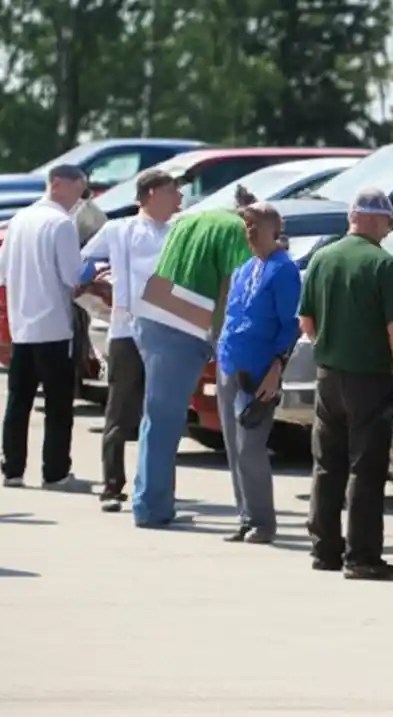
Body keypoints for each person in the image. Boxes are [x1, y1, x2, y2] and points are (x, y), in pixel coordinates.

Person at [298, 188, 393, 580]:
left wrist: (330, 347)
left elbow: (307, 323)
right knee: (365, 469)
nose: (388, 230)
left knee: (327, 464)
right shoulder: (386, 266)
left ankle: (325, 550)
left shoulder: (322, 258)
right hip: (368, 378)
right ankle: (362, 556)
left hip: (328, 377)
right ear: (371, 218)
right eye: (386, 221)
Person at [131, 208, 252, 527]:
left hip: (152, 314)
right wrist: (226, 338)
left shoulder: (190, 219)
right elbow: (234, 285)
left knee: (156, 418)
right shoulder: (236, 230)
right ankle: (152, 508)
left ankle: (150, 502)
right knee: (166, 420)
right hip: (186, 326)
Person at [79, 169, 181, 512]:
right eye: (172, 191)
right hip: (125, 332)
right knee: (120, 411)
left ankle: (154, 486)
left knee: (162, 412)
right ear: (151, 193)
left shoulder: (177, 233)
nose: (178, 198)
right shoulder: (119, 229)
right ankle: (111, 484)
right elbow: (84, 263)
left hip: (166, 332)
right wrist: (96, 283)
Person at [0, 165, 88, 489]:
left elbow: (0, 272)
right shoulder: (60, 223)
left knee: (18, 401)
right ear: (58, 184)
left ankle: (13, 469)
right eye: (78, 189)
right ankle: (56, 472)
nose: (80, 198)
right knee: (59, 404)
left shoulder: (20, 219)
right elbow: (72, 278)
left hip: (22, 326)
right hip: (54, 326)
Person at [215, 202, 301, 544]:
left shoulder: (283, 270)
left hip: (260, 368)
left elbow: (289, 324)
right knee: (233, 447)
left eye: (254, 227)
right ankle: (245, 516)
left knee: (250, 446)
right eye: (245, 227)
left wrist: (276, 368)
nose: (248, 233)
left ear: (272, 230)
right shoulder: (245, 268)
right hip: (230, 363)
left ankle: (263, 522)